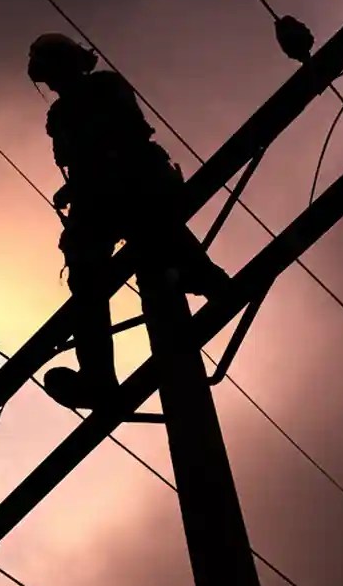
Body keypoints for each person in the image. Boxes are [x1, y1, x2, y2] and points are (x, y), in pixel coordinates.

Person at [28, 32, 230, 408]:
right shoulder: (59, 115)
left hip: (137, 183)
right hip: (102, 199)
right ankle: (99, 378)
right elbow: (79, 162)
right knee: (85, 275)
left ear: (71, 65)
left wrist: (95, 173)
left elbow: (127, 136)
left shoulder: (105, 86)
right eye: (47, 78)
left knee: (149, 226)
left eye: (53, 73)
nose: (53, 84)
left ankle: (205, 278)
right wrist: (74, 190)